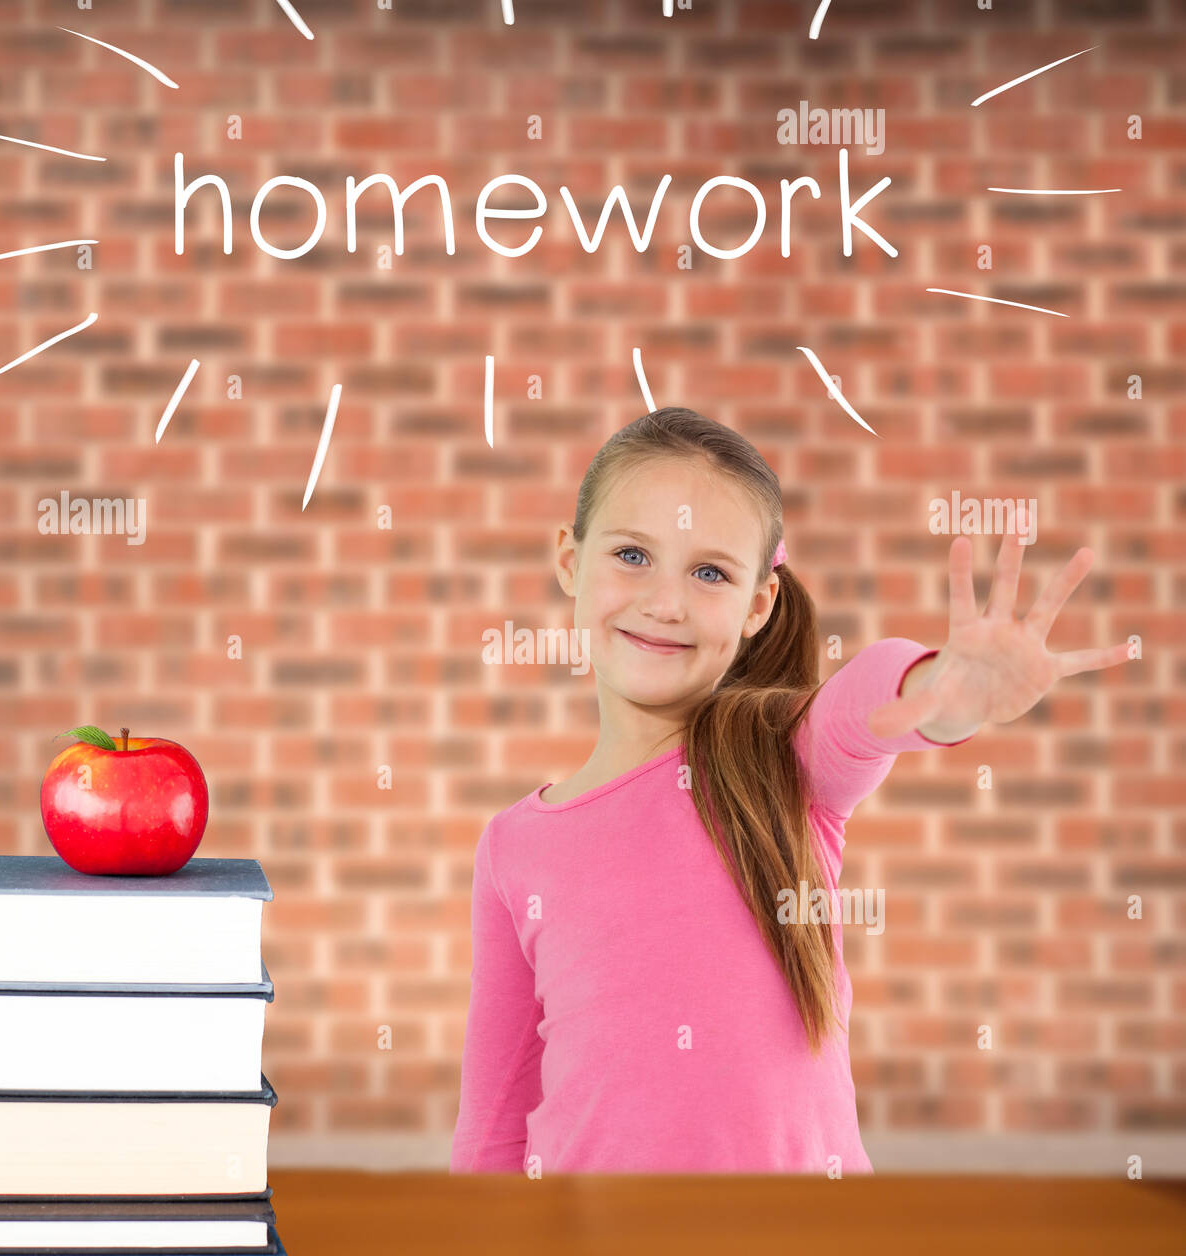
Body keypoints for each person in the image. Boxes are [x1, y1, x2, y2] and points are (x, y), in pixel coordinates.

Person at [449, 406, 1130, 1175]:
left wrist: (943, 686)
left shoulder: (780, 753)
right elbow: (494, 1121)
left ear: (759, 605)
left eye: (710, 572)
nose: (665, 602)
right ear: (570, 561)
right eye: (632, 555)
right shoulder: (516, 844)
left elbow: (861, 709)